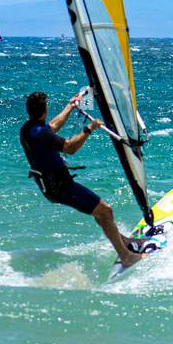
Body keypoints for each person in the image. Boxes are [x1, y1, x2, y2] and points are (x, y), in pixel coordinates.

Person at [20, 91, 142, 267]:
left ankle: (124, 242)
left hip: (51, 187)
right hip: (61, 187)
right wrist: (88, 129)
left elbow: (52, 126)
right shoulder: (40, 133)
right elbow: (70, 148)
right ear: (44, 109)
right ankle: (126, 256)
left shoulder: (29, 129)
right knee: (105, 211)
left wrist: (70, 106)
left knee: (100, 212)